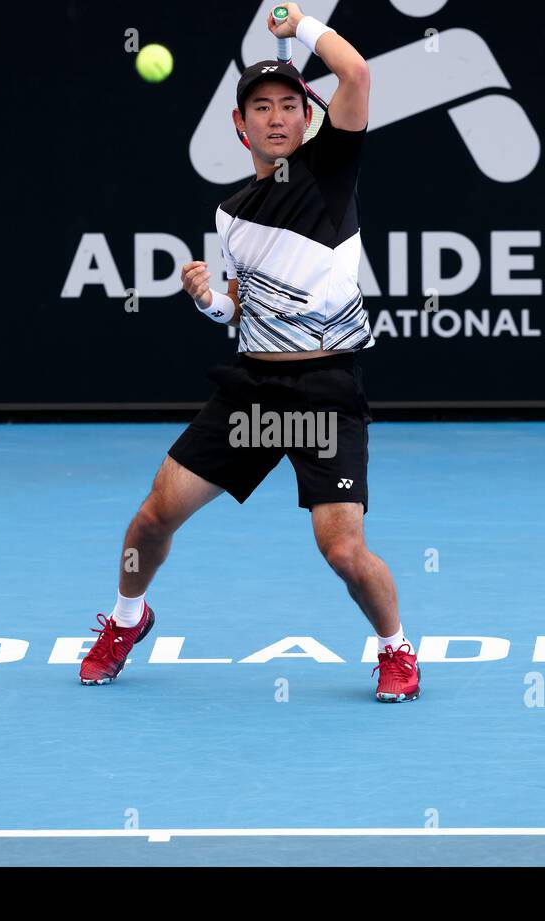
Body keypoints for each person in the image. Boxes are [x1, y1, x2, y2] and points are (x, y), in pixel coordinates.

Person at [79, 3, 419, 702]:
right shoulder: (229, 214)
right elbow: (240, 305)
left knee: (344, 552)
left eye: (288, 105)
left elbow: (354, 72)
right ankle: (126, 618)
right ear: (240, 126)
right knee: (152, 516)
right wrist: (211, 302)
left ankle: (395, 647)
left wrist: (298, 29)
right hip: (253, 393)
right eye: (259, 107)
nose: (274, 117)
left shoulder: (330, 169)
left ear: (308, 118)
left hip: (325, 391)